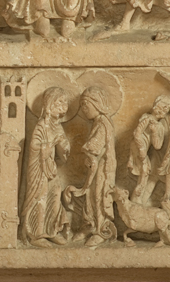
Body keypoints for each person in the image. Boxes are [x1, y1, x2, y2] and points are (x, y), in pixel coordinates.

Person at [68, 86, 117, 247]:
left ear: (97, 105)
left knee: (99, 195)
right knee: (90, 195)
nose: (83, 110)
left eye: (85, 106)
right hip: (96, 167)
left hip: (104, 168)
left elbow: (94, 147)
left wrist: (87, 152)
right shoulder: (97, 122)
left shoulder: (103, 123)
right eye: (81, 106)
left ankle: (101, 230)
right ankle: (89, 225)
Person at [21, 87, 71, 247]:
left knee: (55, 194)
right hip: (39, 170)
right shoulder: (41, 125)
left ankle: (52, 230)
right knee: (40, 197)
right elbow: (35, 147)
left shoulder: (57, 126)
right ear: (49, 105)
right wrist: (50, 143)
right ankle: (36, 234)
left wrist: (64, 146)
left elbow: (63, 152)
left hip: (51, 168)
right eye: (59, 103)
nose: (63, 107)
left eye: (65, 103)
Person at [127, 95, 167, 201]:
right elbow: (137, 133)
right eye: (161, 107)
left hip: (142, 149)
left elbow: (157, 145)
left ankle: (136, 197)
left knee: (145, 171)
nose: (162, 111)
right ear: (155, 107)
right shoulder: (147, 119)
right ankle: (136, 198)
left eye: (165, 109)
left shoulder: (159, 127)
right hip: (137, 146)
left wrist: (154, 132)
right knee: (145, 170)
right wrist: (141, 149)